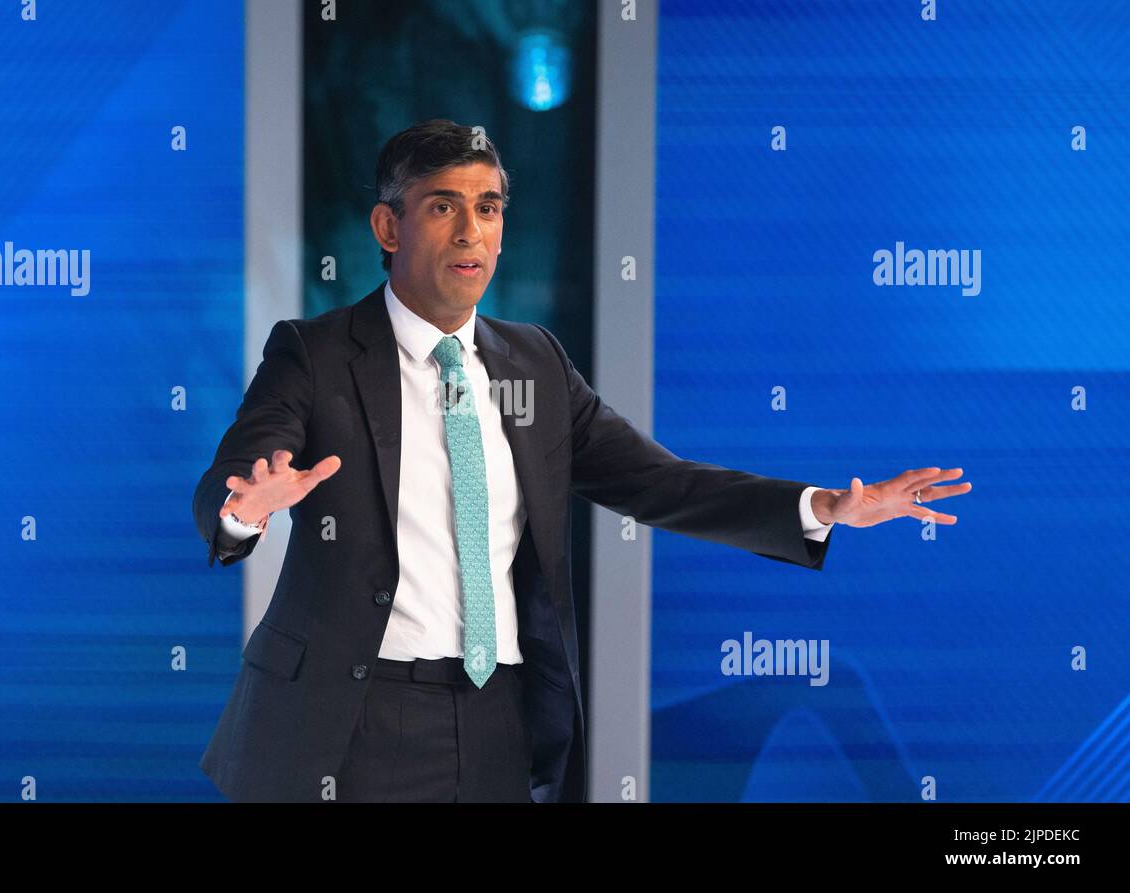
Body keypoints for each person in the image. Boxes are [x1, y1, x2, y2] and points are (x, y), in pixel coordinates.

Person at [191, 118, 972, 803]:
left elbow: (658, 482)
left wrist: (822, 507)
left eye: (488, 208)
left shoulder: (535, 364)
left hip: (495, 712)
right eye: (443, 206)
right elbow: (239, 476)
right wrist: (244, 510)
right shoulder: (317, 353)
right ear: (388, 228)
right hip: (354, 718)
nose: (472, 230)